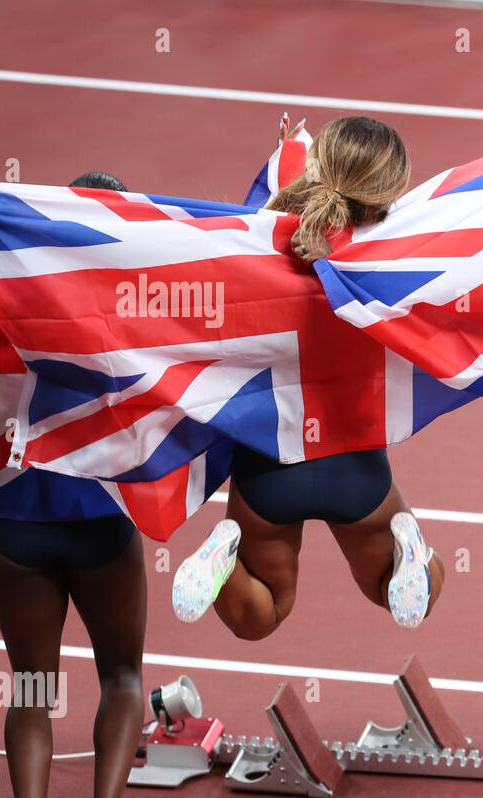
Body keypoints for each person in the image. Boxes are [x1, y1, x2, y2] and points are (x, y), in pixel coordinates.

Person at [171, 116, 444, 640]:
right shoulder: (397, 254)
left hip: (269, 466)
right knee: (398, 592)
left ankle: (222, 569)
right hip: (356, 464)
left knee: (266, 611)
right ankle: (413, 559)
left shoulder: (258, 243)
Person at [0, 172, 142, 798]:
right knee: (123, 677)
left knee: (32, 687)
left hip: (17, 520)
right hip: (99, 516)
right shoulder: (138, 309)